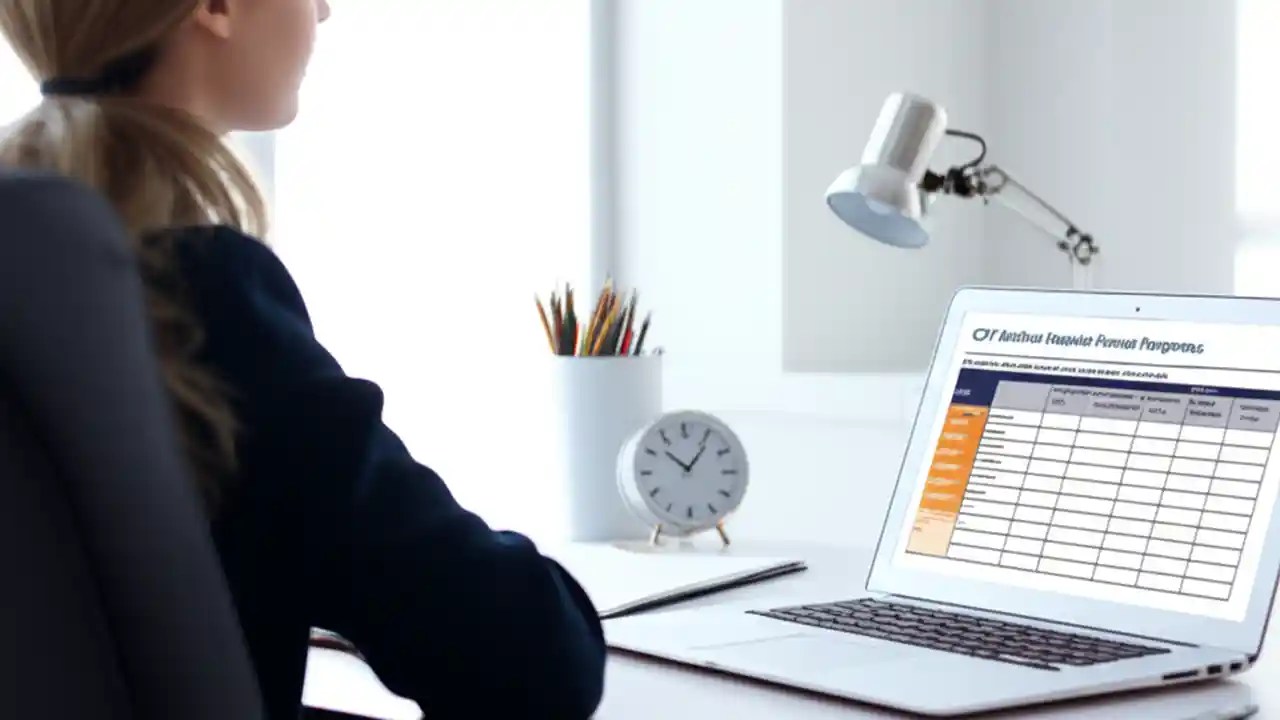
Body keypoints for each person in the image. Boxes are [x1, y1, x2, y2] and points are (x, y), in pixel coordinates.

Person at [0, 1, 607, 718]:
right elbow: (532, 660)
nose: (323, 9)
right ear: (217, 7)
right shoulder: (201, 298)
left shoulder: (39, 280)